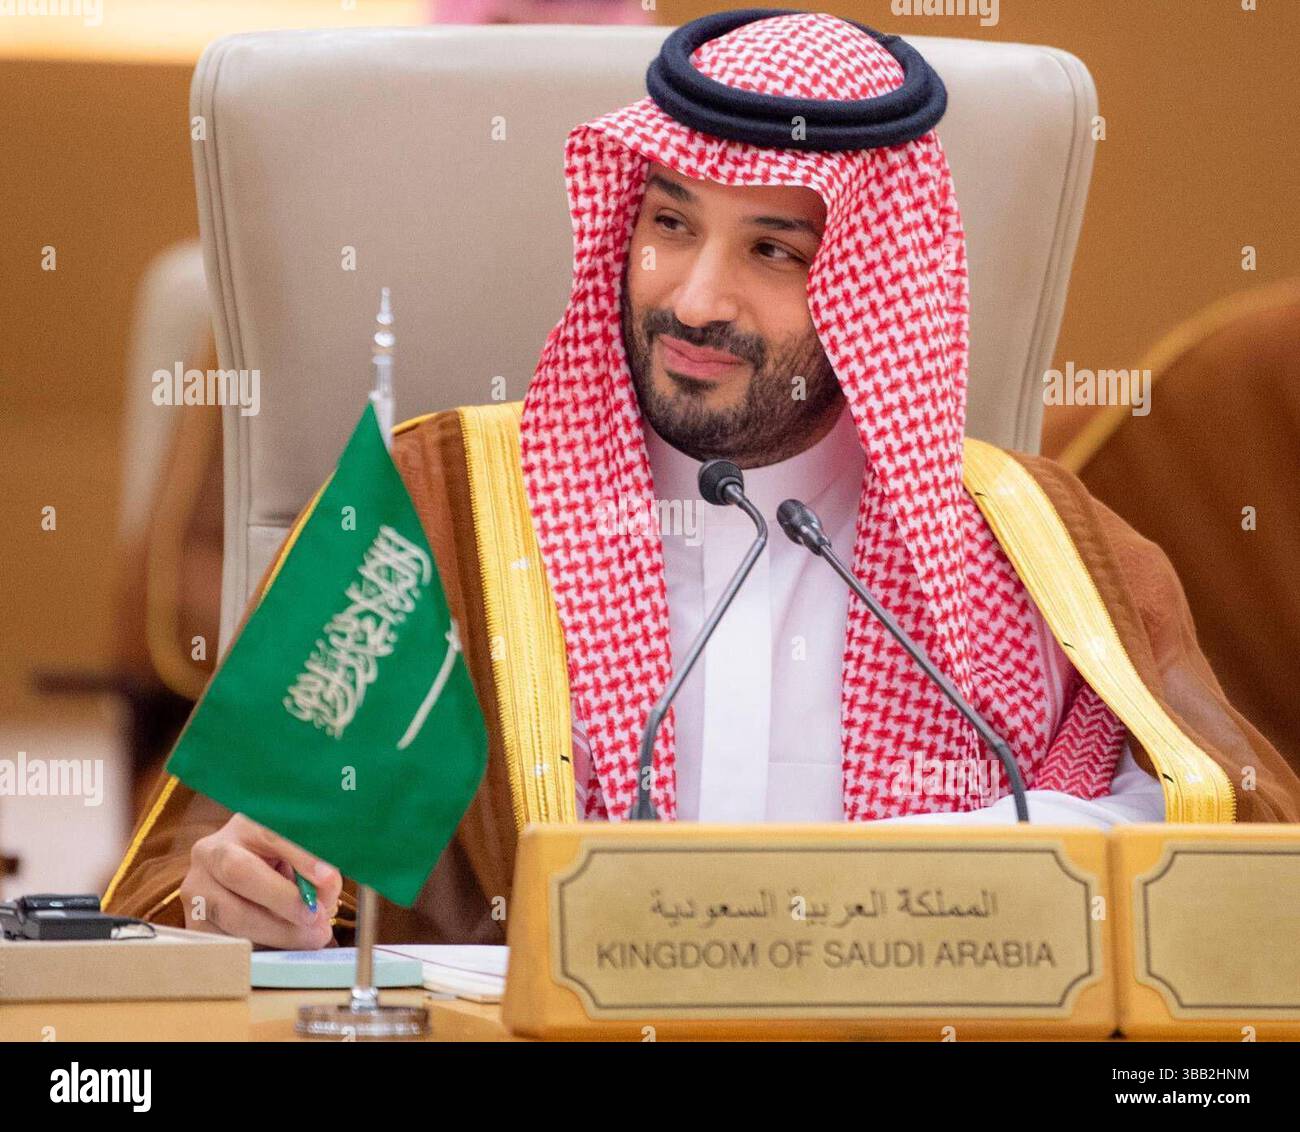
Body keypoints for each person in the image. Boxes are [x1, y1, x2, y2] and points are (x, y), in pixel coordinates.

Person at [104, 11, 1300, 951]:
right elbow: (181, 893)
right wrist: (240, 906)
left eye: (772, 250)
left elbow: (1232, 873)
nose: (690, 297)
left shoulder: (1038, 552)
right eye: (670, 224)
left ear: (882, 284)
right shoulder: (440, 513)